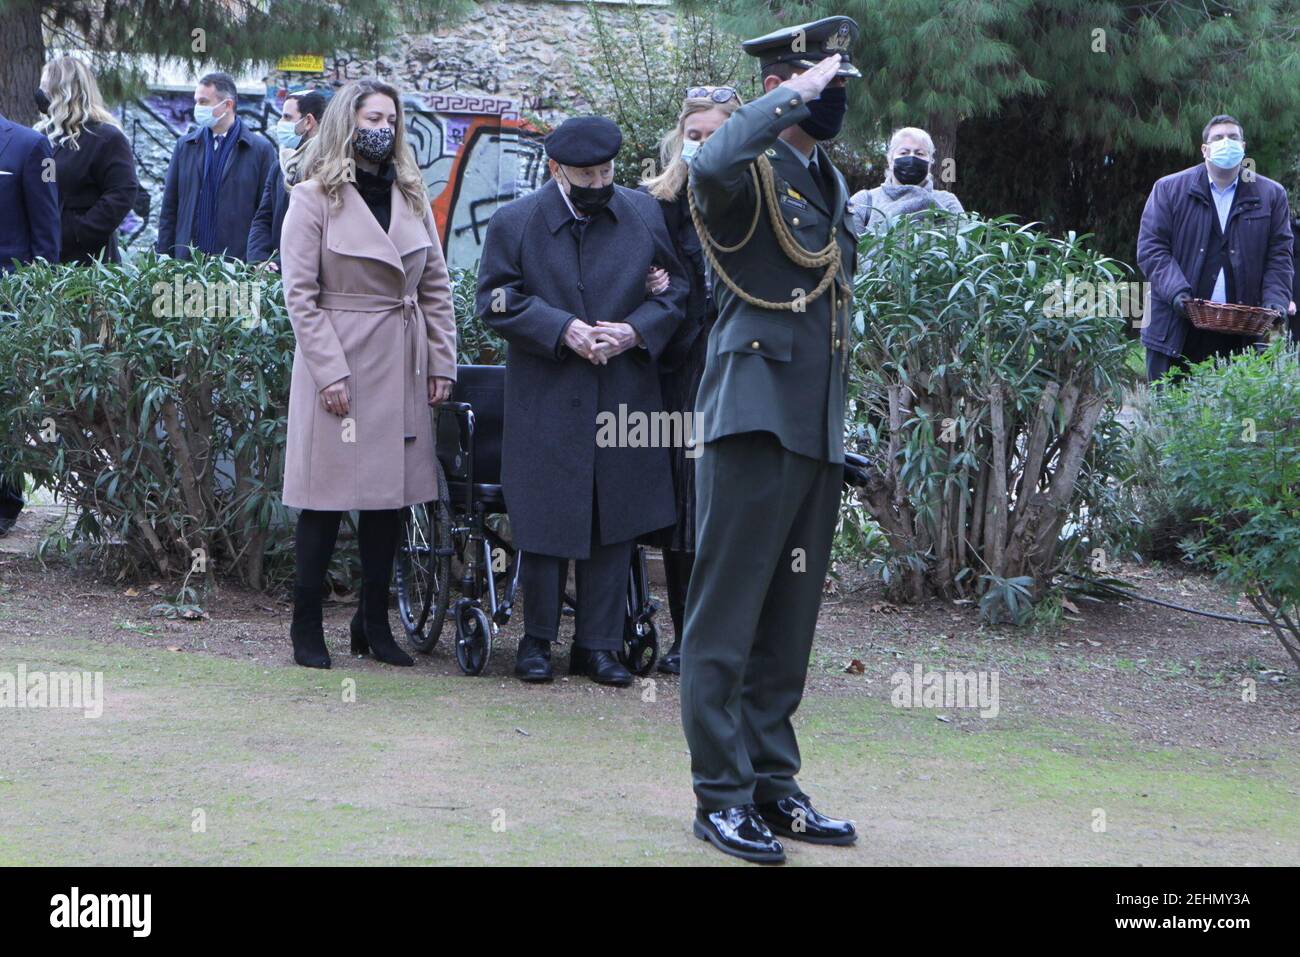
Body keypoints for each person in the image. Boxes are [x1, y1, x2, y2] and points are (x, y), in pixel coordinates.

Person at [680, 15, 862, 864]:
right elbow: (704, 164)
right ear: (778, 89)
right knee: (726, 618)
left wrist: (837, 429)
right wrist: (789, 94)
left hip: (811, 427)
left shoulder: (824, 177)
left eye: (839, 91)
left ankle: (771, 782)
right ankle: (719, 794)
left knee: (787, 625)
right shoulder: (742, 168)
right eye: (823, 89)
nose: (834, 105)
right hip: (752, 415)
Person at [476, 115, 687, 687]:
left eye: (607, 172)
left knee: (613, 519)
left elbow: (679, 290)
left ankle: (599, 647)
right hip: (546, 395)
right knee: (544, 519)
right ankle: (536, 642)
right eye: (585, 175)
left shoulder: (644, 212)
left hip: (623, 392)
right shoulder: (515, 221)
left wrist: (636, 330)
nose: (598, 184)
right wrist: (562, 328)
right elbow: (493, 300)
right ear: (555, 170)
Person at [279, 78, 457, 669]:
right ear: (344, 124)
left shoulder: (411, 195)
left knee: (389, 502)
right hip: (340, 361)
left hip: (401, 362)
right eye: (369, 117)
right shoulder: (311, 198)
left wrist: (441, 362)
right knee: (324, 503)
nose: (380, 128)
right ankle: (307, 627)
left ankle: (373, 625)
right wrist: (330, 373)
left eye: (389, 118)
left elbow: (435, 286)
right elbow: (300, 296)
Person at [637, 86, 742, 675]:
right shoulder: (655, 202)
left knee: (731, 505)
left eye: (715, 135)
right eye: (693, 135)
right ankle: (685, 638)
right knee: (685, 508)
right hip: (680, 369)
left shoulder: (759, 197)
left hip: (743, 364)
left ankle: (730, 640)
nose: (701, 146)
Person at [1137, 114, 1293, 382]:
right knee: (1170, 417)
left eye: (1233, 137)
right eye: (1218, 137)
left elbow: (1279, 257)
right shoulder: (1168, 189)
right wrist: (1178, 295)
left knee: (1236, 416)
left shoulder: (1271, 195)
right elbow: (1152, 250)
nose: (1226, 142)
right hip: (1176, 330)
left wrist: (1274, 306)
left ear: (1243, 147)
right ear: (1204, 149)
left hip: (1245, 332)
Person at [0, 108, 60, 536]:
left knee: (6, 402)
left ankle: (4, 501)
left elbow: (45, 230)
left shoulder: (28, 145)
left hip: (8, 296)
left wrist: (40, 299)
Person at [156, 71, 277, 261]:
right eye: (196, 101)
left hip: (236, 268)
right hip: (187, 265)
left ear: (227, 105)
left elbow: (267, 212)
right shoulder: (185, 146)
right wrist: (164, 257)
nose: (197, 107)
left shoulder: (260, 151)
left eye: (203, 102)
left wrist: (260, 260)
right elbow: (170, 207)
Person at [35, 56, 139, 264]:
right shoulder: (42, 136)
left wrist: (78, 232)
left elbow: (123, 192)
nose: (40, 94)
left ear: (64, 91)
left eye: (46, 87)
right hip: (42, 255)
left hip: (86, 261)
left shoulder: (105, 137)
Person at [248, 90, 326, 266]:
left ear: (308, 121)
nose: (280, 123)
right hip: (274, 273)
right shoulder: (280, 167)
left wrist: (283, 264)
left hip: (311, 273)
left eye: (286, 117)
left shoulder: (331, 167)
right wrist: (259, 261)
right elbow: (263, 218)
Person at [849, 126, 963, 235]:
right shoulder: (863, 202)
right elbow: (847, 250)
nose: (912, 158)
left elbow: (962, 250)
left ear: (930, 162)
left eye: (920, 153)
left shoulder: (947, 202)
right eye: (904, 153)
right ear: (890, 160)